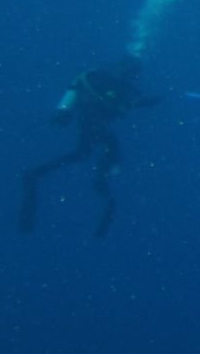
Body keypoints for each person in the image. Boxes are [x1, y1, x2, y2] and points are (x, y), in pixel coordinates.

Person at [20, 57, 160, 237]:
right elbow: (122, 103)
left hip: (91, 120)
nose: (132, 77)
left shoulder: (104, 79)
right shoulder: (107, 80)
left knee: (86, 153)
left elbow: (124, 101)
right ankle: (99, 182)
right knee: (99, 150)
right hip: (92, 121)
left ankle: (97, 181)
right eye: (132, 73)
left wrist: (143, 102)